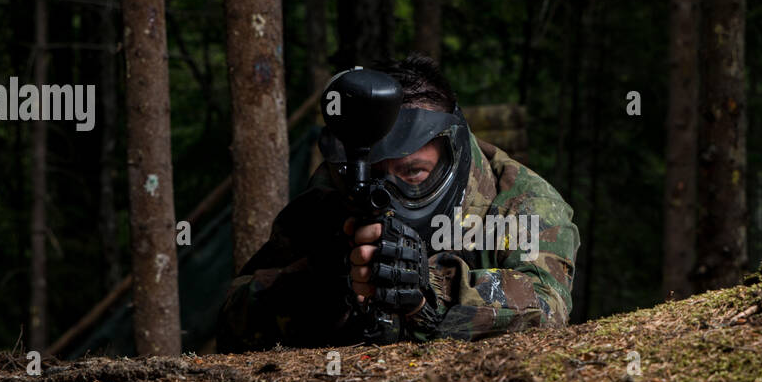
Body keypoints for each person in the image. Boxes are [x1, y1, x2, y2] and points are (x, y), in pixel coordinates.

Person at [216, 53, 579, 350]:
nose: (386, 195)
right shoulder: (334, 197)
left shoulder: (521, 203)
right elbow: (234, 318)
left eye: (414, 172)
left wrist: (429, 292)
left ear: (451, 151)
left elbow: (546, 310)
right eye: (374, 174)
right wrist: (326, 281)